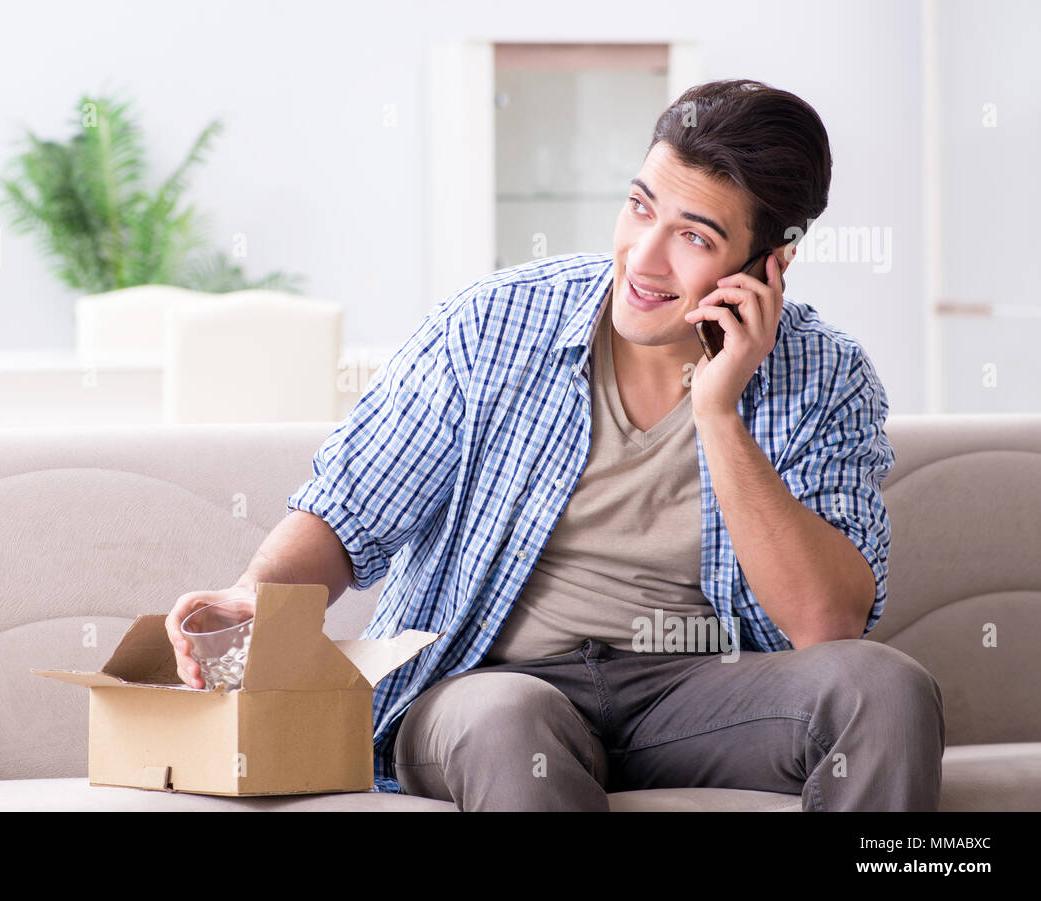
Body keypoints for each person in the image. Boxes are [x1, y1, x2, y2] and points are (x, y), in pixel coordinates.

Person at [166, 79, 945, 811]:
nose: (644, 257)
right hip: (488, 683)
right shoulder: (495, 323)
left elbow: (826, 624)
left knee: (886, 690)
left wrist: (718, 414)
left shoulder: (826, 373)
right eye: (641, 207)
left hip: (695, 694)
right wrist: (250, 595)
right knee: (511, 720)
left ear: (768, 263)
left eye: (694, 237)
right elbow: (349, 512)